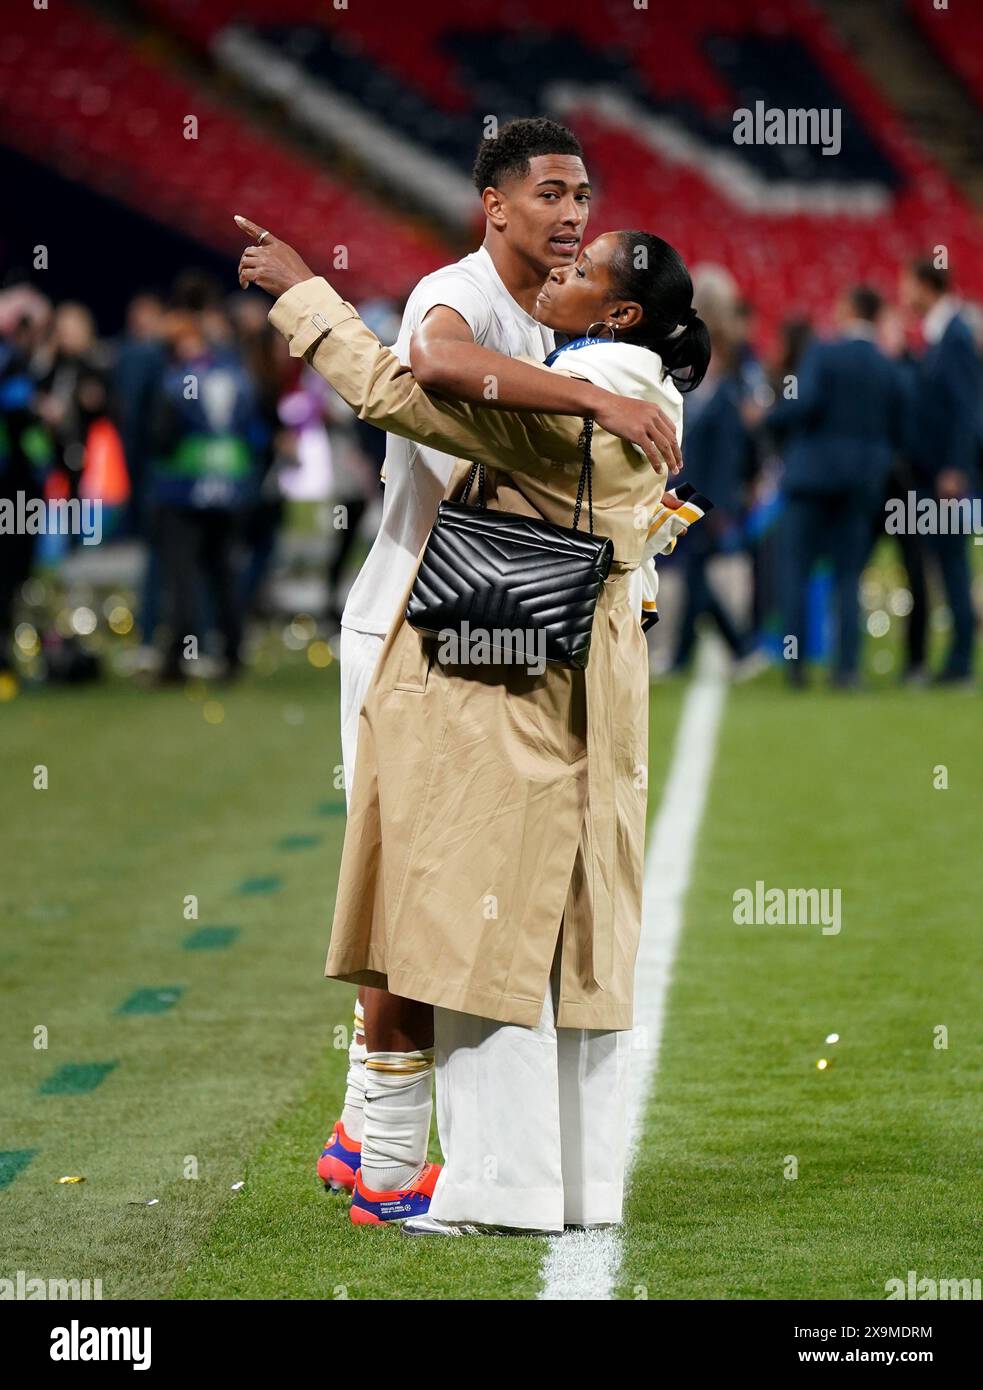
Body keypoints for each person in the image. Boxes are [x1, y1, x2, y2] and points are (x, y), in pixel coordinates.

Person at [240, 117, 683, 1221]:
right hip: (409, 624)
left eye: (583, 194)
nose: (572, 213)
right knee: (413, 894)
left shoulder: (566, 332)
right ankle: (384, 1140)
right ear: (494, 205)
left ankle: (377, 1137)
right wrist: (589, 402)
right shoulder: (464, 296)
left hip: (497, 643)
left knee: (434, 897)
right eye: (548, 193)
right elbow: (419, 371)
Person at [769, 286, 905, 688]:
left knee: (796, 570)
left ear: (849, 310)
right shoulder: (886, 364)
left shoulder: (823, 352)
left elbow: (804, 402)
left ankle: (796, 667)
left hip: (812, 479)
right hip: (861, 482)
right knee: (848, 575)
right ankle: (846, 669)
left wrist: (770, 417)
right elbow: (899, 422)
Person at [898, 258, 983, 685]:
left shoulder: (955, 336)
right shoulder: (941, 334)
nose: (902, 294)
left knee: (952, 565)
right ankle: (957, 660)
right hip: (935, 475)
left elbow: (969, 408)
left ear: (926, 286)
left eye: (908, 284)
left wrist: (956, 467)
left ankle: (962, 662)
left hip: (947, 478)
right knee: (946, 564)